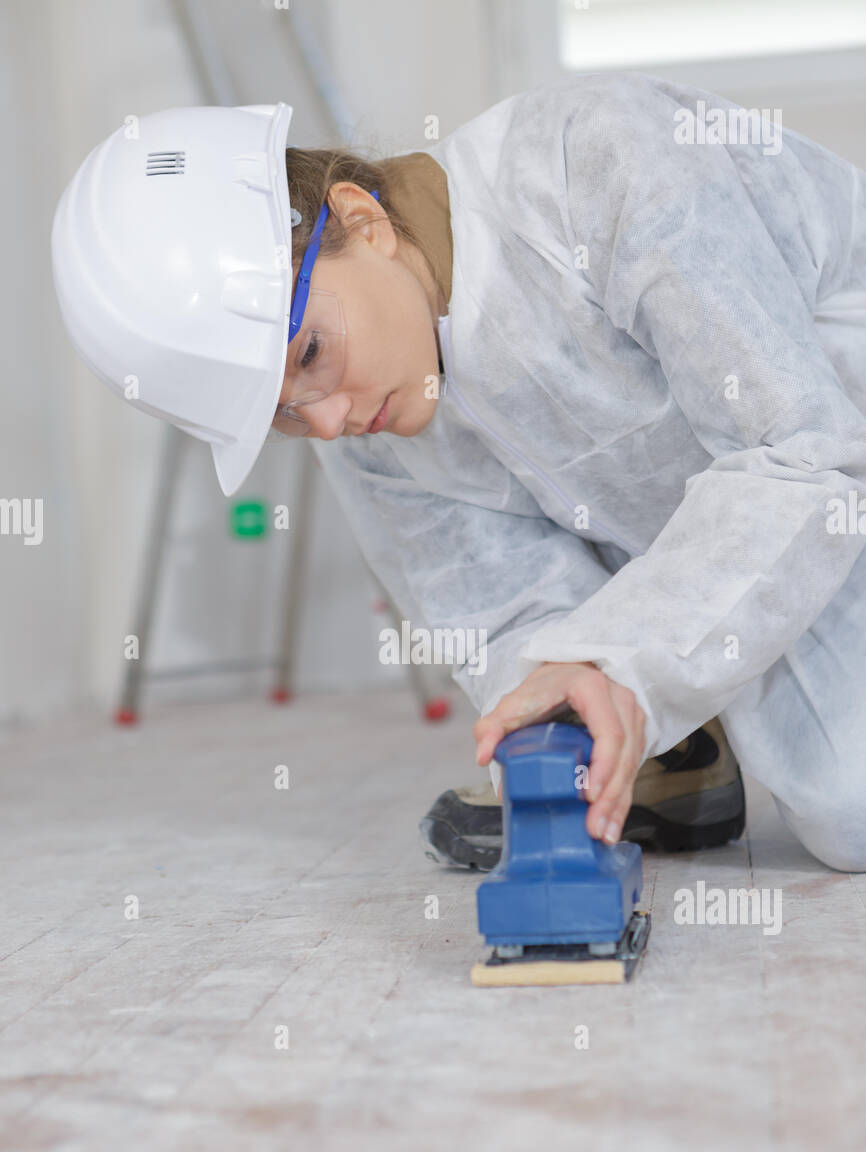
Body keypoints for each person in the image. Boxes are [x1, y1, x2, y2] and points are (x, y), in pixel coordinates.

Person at [52, 73, 866, 871]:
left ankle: (673, 717)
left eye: (309, 353)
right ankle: (678, 747)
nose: (326, 422)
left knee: (852, 810)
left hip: (833, 466)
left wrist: (628, 663)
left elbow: (805, 449)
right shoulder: (362, 416)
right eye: (281, 414)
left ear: (360, 217)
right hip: (737, 554)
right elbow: (500, 615)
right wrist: (573, 714)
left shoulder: (596, 159)